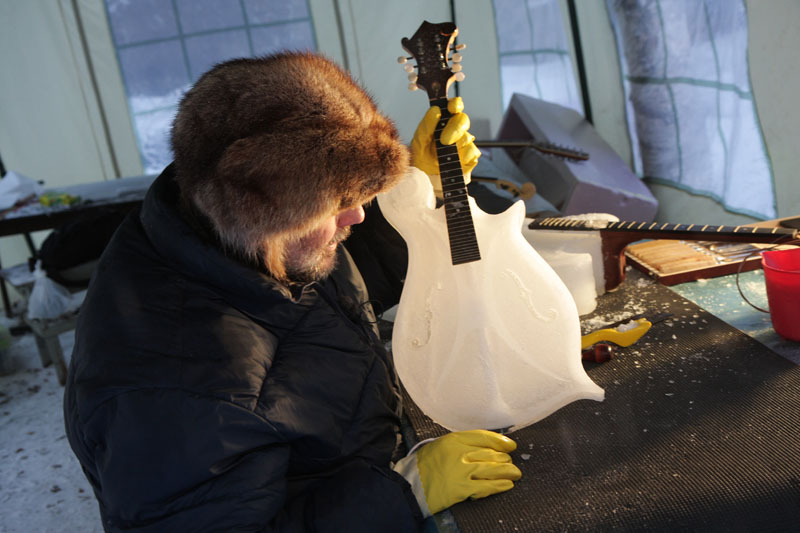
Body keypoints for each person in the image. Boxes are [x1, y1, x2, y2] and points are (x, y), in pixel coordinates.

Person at [64, 52, 521, 532]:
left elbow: (335, 288)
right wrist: (402, 492)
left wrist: (420, 191)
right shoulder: (176, 387)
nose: (357, 216)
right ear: (264, 215)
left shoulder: (228, 233)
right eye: (341, 202)